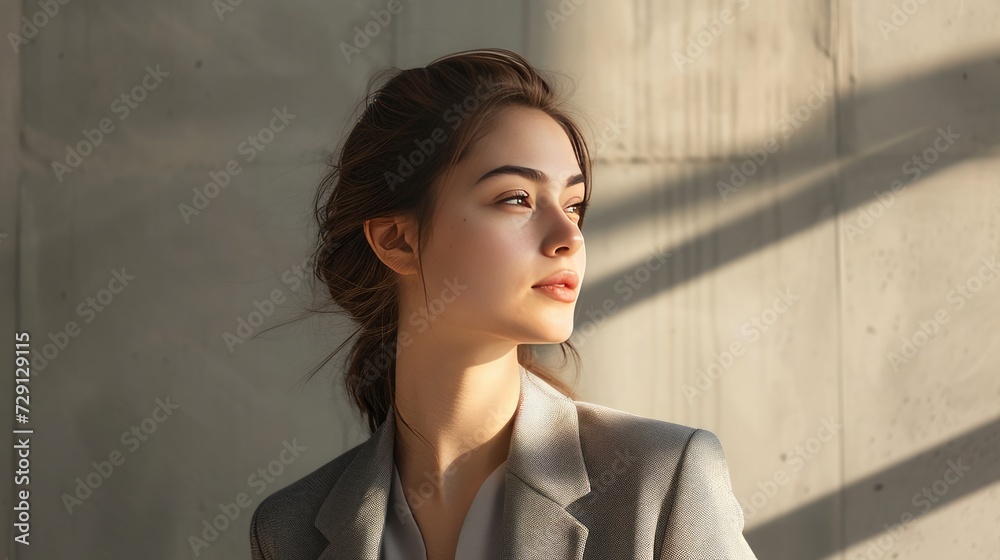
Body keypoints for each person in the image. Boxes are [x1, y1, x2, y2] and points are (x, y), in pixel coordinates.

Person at [249, 48, 757, 560]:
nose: (569, 236)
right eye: (516, 198)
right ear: (397, 241)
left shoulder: (662, 479)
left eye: (574, 205)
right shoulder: (292, 530)